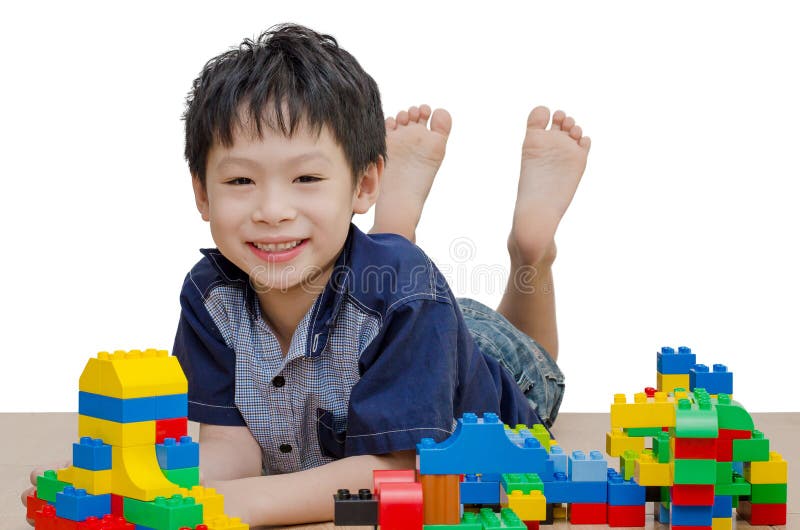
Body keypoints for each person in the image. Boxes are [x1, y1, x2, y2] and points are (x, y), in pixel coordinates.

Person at [22, 23, 590, 527]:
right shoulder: (209, 295)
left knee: (528, 359)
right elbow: (230, 446)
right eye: (241, 182)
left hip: (474, 353)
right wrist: (133, 488)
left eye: (307, 179)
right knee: (388, 276)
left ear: (362, 183)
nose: (271, 209)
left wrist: (243, 506)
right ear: (201, 194)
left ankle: (529, 251)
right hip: (388, 310)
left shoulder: (410, 297)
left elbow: (397, 471)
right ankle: (389, 232)